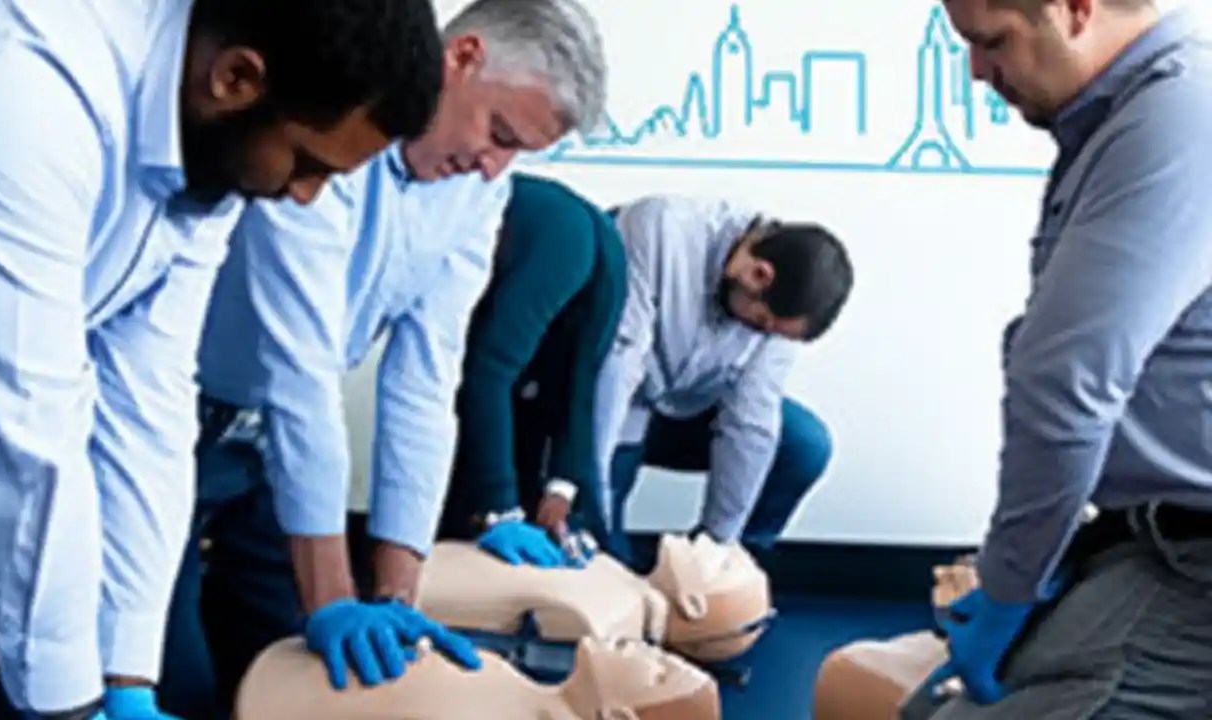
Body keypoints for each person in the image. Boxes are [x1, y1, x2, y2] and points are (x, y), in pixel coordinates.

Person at [0, 0, 443, 717]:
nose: (303, 196)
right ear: (237, 77)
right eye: (305, 163)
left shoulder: (206, 144)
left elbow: (150, 404)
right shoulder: (25, 85)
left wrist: (127, 677)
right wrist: (67, 708)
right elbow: (32, 439)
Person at [159, 0, 608, 715]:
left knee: (292, 673)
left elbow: (426, 380)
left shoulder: (476, 193)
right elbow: (300, 373)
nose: (495, 168)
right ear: (461, 58)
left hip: (274, 450)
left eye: (516, 152)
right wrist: (335, 595)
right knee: (169, 670)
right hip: (178, 415)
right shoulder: (328, 118)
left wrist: (398, 594)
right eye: (498, 133)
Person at [915, 1, 1212, 717]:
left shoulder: (1181, 120)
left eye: (992, 42)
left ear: (1074, 9)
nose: (977, 71)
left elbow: (1065, 379)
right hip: (1149, 539)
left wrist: (1011, 582)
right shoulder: (1134, 118)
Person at [592, 196, 853, 572]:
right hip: (610, 403)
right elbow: (618, 365)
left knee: (804, 445)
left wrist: (716, 545)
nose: (761, 334)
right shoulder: (661, 228)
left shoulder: (783, 305)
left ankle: (733, 572)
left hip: (689, 408)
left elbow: (752, 420)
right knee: (604, 553)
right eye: (761, 323)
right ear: (757, 275)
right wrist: (586, 485)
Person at [439, 173, 626, 567]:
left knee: (525, 445)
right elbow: (486, 370)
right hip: (521, 258)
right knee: (467, 436)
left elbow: (580, 388)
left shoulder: (599, 273)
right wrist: (500, 506)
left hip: (556, 262)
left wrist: (563, 488)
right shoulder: (562, 250)